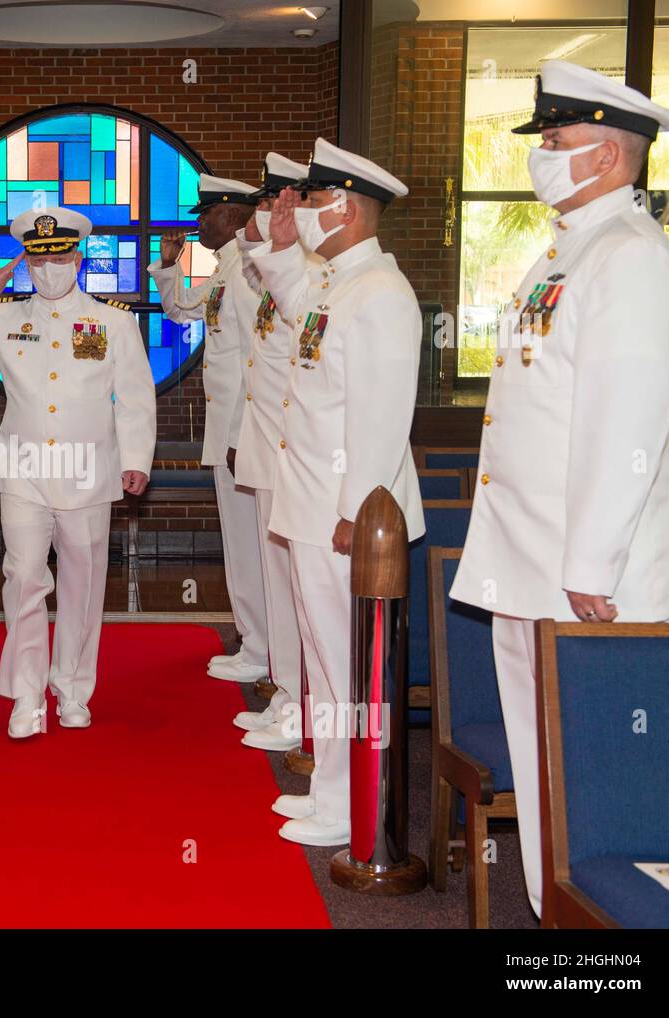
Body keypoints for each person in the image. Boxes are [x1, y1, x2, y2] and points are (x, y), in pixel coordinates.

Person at [451, 60, 669, 918]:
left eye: (556, 141)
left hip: (588, 572)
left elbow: (624, 422)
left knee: (597, 782)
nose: (542, 155)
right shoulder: (568, 252)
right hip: (536, 556)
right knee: (547, 766)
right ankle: (557, 926)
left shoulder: (629, 257)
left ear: (607, 159)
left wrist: (591, 560)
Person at [252, 137, 423, 846]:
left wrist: (360, 511)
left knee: (350, 669)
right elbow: (293, 304)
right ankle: (331, 790)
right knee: (325, 661)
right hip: (316, 504)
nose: (308, 209)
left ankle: (357, 804)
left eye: (317, 200)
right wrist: (286, 244)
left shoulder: (380, 293)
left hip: (348, 515)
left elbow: (381, 417)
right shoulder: (335, 282)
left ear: (348, 207)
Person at [0, 207, 156, 738]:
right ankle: (26, 695)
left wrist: (135, 460)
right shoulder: (5, 317)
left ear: (77, 257)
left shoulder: (113, 321)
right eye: (37, 260)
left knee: (83, 585)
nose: (48, 268)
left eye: (57, 257)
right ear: (26, 263)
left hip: (87, 471)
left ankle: (74, 689)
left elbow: (135, 398)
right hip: (24, 469)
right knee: (25, 579)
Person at [149, 175, 269, 684]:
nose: (199, 223)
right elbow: (180, 313)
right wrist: (170, 267)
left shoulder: (248, 273)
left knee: (253, 546)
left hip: (244, 435)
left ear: (237, 215)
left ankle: (264, 650)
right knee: (240, 544)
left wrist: (244, 436)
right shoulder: (227, 270)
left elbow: (257, 362)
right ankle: (254, 642)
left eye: (208, 214)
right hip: (228, 433)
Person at [230, 153, 311, 752]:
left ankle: (299, 698)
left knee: (296, 588)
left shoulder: (311, 279)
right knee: (279, 581)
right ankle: (287, 689)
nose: (266, 215)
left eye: (276, 203)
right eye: (264, 203)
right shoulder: (278, 273)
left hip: (296, 454)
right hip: (268, 447)